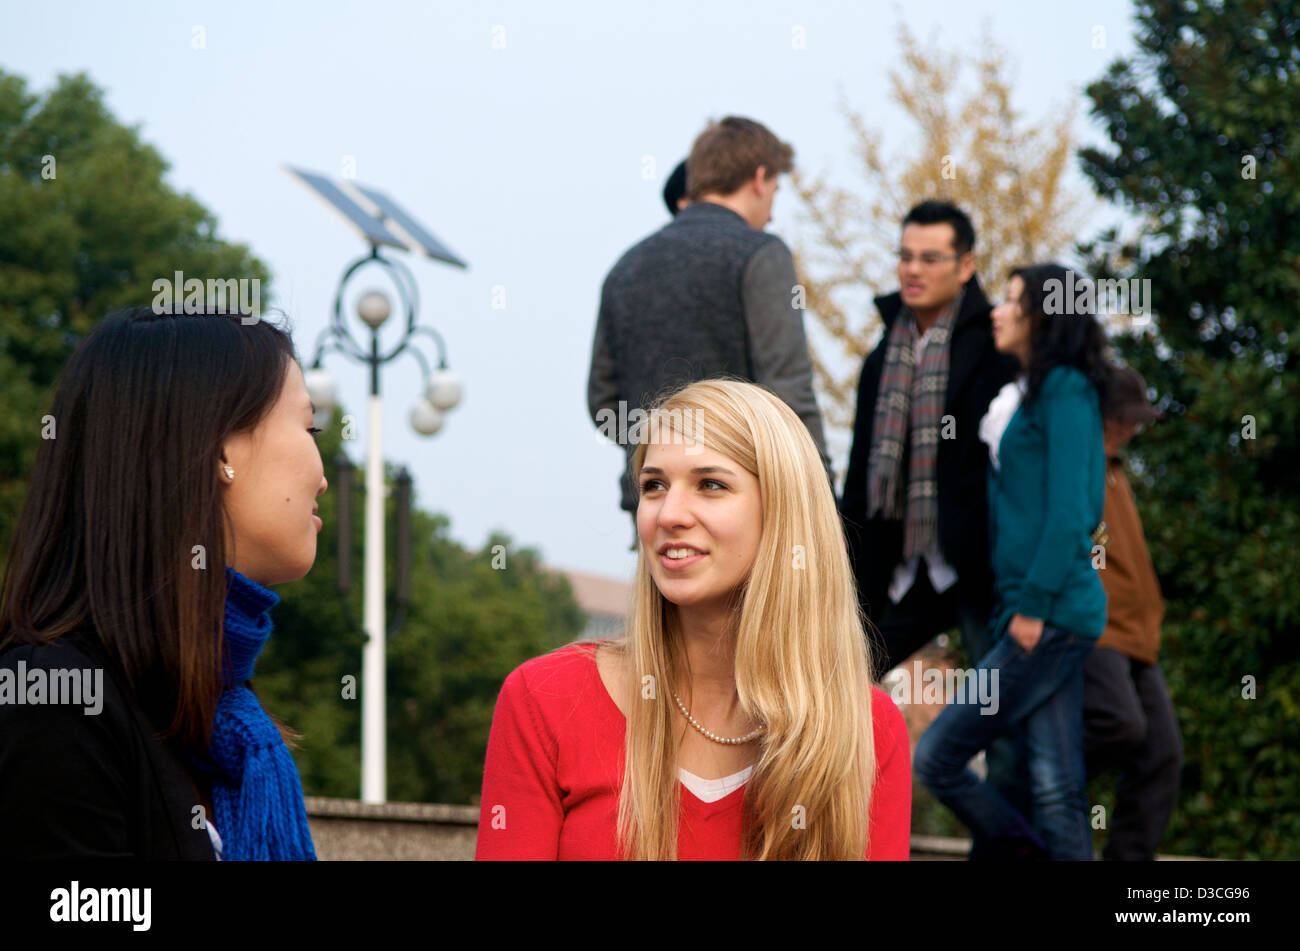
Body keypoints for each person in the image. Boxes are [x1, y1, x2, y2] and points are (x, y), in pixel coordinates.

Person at [477, 380, 911, 860]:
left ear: (785, 513)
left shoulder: (866, 729)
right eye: (654, 485)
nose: (669, 514)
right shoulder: (545, 699)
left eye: (711, 484)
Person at [0, 307, 327, 860]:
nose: (322, 474)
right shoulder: (52, 699)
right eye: (309, 426)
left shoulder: (213, 717)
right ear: (222, 449)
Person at [913, 263, 1111, 861]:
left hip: (1047, 613)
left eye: (1012, 302)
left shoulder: (1067, 390)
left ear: (1043, 317)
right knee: (1058, 788)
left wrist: (1031, 607)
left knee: (938, 755)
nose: (997, 311)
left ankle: (1020, 854)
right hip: (1033, 611)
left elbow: (1075, 511)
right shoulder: (1027, 395)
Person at [588, 117, 832, 544]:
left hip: (654, 511)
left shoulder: (624, 268)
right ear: (760, 178)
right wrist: (821, 501)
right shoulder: (761, 254)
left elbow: (602, 401)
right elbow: (789, 390)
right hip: (747, 512)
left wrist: (660, 461)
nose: (772, 210)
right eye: (776, 189)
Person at [840, 200, 1019, 680]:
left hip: (977, 565)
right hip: (895, 563)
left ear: (966, 266)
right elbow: (860, 474)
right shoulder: (882, 357)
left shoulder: (996, 348)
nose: (912, 270)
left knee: (998, 717)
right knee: (843, 687)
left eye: (929, 258)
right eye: (905, 256)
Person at [1084, 365, 1182, 860]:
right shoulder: (1077, 465)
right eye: (1123, 417)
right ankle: (1036, 773)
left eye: (1135, 420)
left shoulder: (1116, 472)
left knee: (1163, 753)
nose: (1131, 428)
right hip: (1100, 633)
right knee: (1120, 724)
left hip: (1139, 637)